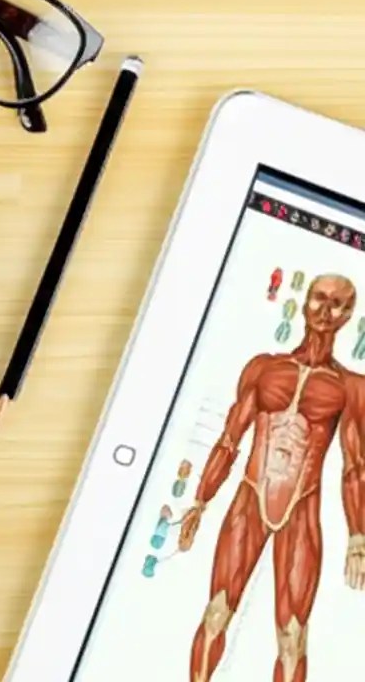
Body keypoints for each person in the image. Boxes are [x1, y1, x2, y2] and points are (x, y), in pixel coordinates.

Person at [178, 274, 365, 682]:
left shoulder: (351, 387)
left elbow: (355, 465)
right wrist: (202, 499)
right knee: (216, 614)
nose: (325, 310)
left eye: (337, 304)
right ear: (304, 303)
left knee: (292, 636)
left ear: (349, 314)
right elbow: (231, 437)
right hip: (249, 500)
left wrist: (357, 535)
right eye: (319, 299)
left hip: (301, 510)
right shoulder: (264, 368)